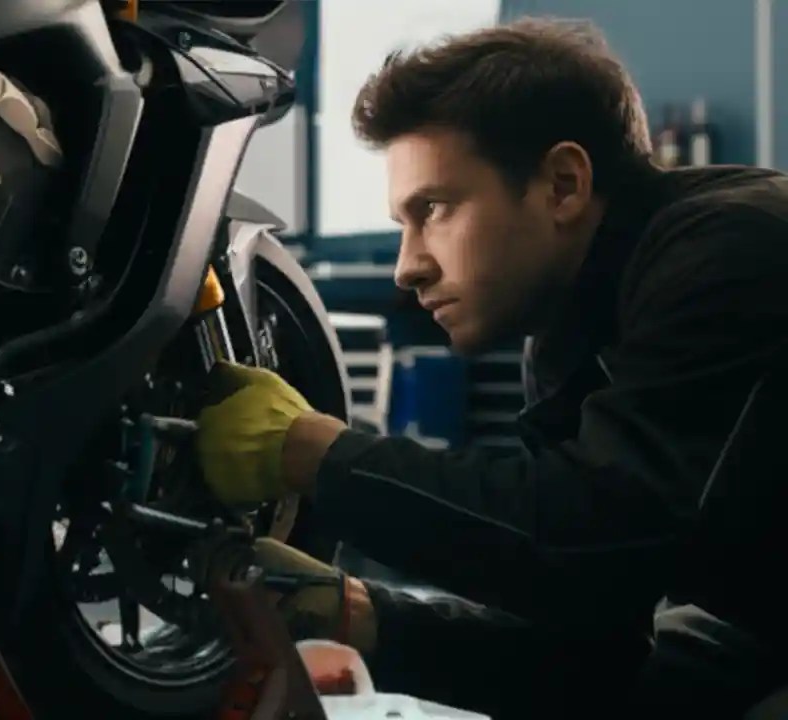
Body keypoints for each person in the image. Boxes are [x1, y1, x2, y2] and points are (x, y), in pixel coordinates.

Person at [195, 17, 788, 719]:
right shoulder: (570, 335)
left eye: (434, 210)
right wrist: (353, 614)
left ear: (563, 185)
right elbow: (592, 649)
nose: (407, 267)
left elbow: (592, 541)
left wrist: (314, 454)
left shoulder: (734, 249)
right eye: (401, 225)